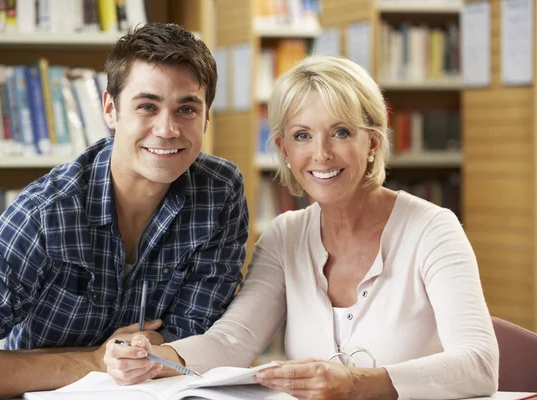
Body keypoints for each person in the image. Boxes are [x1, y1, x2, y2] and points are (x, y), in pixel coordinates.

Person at [103, 55, 499, 400]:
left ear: (373, 143)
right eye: (302, 136)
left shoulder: (433, 229)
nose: (321, 153)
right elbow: (232, 340)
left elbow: (480, 364)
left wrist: (359, 385)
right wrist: (153, 359)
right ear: (284, 150)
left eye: (341, 132)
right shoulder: (284, 235)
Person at [0, 23, 249, 400]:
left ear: (206, 117)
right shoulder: (47, 212)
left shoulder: (220, 190)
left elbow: (197, 332)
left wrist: (150, 343)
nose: (167, 129)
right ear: (110, 110)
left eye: (186, 109)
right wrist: (96, 361)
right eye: (147, 106)